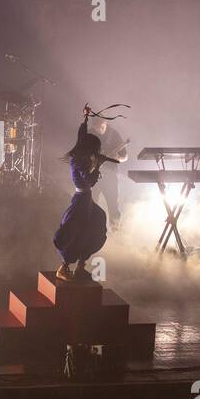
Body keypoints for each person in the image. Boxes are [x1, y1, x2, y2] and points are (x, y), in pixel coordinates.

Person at [53, 107, 119, 281]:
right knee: (75, 232)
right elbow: (89, 181)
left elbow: (81, 135)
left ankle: (81, 266)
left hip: (86, 199)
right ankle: (64, 267)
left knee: (96, 224)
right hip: (81, 200)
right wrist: (98, 165)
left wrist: (85, 118)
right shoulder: (79, 161)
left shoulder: (81, 153)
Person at [88, 116, 129, 226]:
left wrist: (118, 158)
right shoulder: (89, 134)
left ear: (105, 122)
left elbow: (125, 157)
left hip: (110, 177)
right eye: (96, 128)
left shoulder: (114, 135)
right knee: (91, 205)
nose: (99, 130)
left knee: (113, 207)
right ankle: (92, 232)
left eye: (101, 127)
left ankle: (116, 233)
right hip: (93, 176)